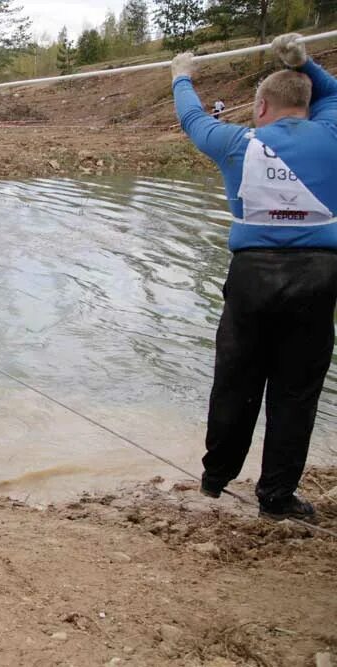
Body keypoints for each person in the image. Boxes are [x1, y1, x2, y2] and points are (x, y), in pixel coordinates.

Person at [171, 34, 337, 521]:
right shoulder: (331, 133)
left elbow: (193, 118)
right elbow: (333, 95)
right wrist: (307, 63)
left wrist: (182, 75)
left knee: (235, 379)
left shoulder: (238, 142)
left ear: (261, 105)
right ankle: (277, 498)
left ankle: (215, 476)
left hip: (252, 278)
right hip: (319, 278)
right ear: (307, 104)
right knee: (295, 393)